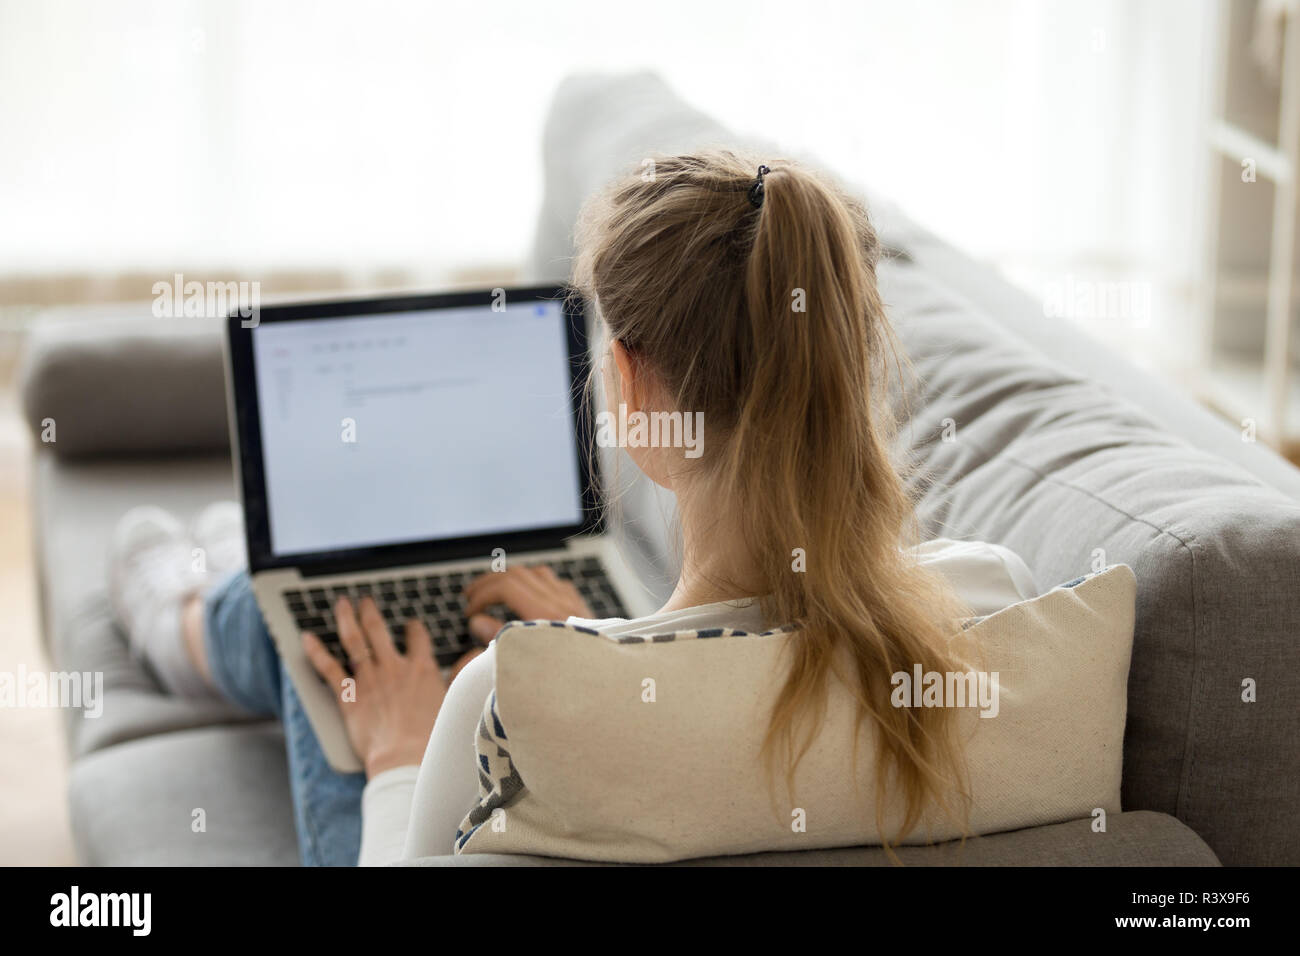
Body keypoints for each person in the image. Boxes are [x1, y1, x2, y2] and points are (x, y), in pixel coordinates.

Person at [109, 151, 1038, 865]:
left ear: (627, 382)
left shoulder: (501, 700)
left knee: (319, 641)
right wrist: (611, 643)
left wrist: (398, 753)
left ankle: (184, 605)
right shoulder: (996, 605)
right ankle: (210, 584)